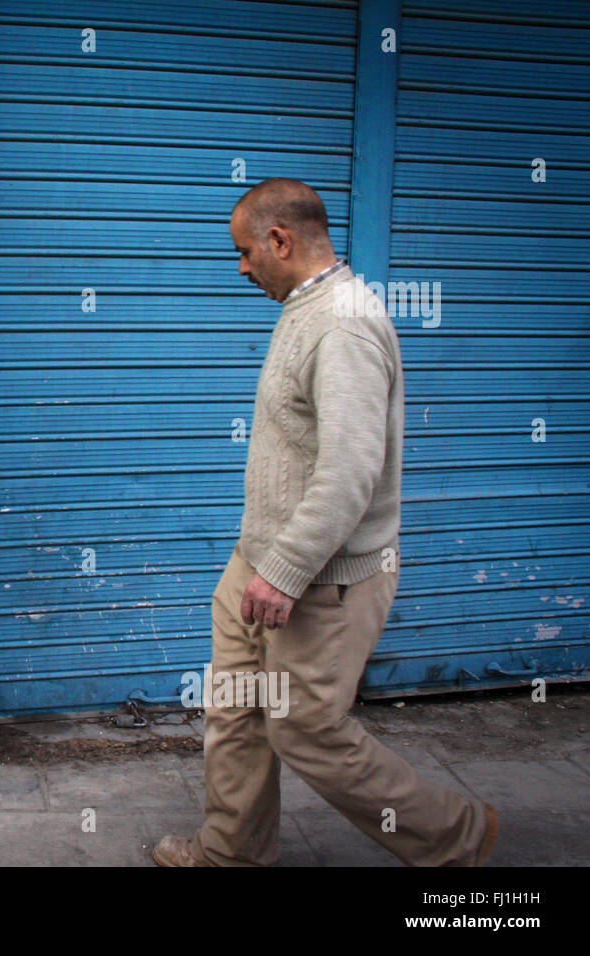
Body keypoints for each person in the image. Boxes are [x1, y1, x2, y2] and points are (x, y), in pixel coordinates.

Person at [152, 178, 498, 867]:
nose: (241, 267)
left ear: (280, 241)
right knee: (237, 711)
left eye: (245, 252)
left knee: (307, 731)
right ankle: (231, 854)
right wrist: (260, 563)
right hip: (259, 564)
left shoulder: (344, 323)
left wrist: (283, 571)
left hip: (319, 579)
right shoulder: (304, 307)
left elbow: (348, 470)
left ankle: (456, 836)